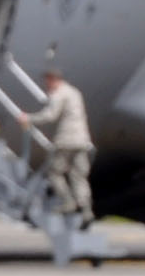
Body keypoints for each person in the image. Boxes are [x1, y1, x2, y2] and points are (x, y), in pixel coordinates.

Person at [26, 67, 94, 223]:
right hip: (83, 140)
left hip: (66, 141)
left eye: (47, 81)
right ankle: (86, 211)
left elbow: (50, 115)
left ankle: (68, 201)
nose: (46, 84)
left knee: (54, 172)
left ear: (52, 79)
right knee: (79, 176)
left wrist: (28, 119)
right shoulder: (75, 92)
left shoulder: (59, 94)